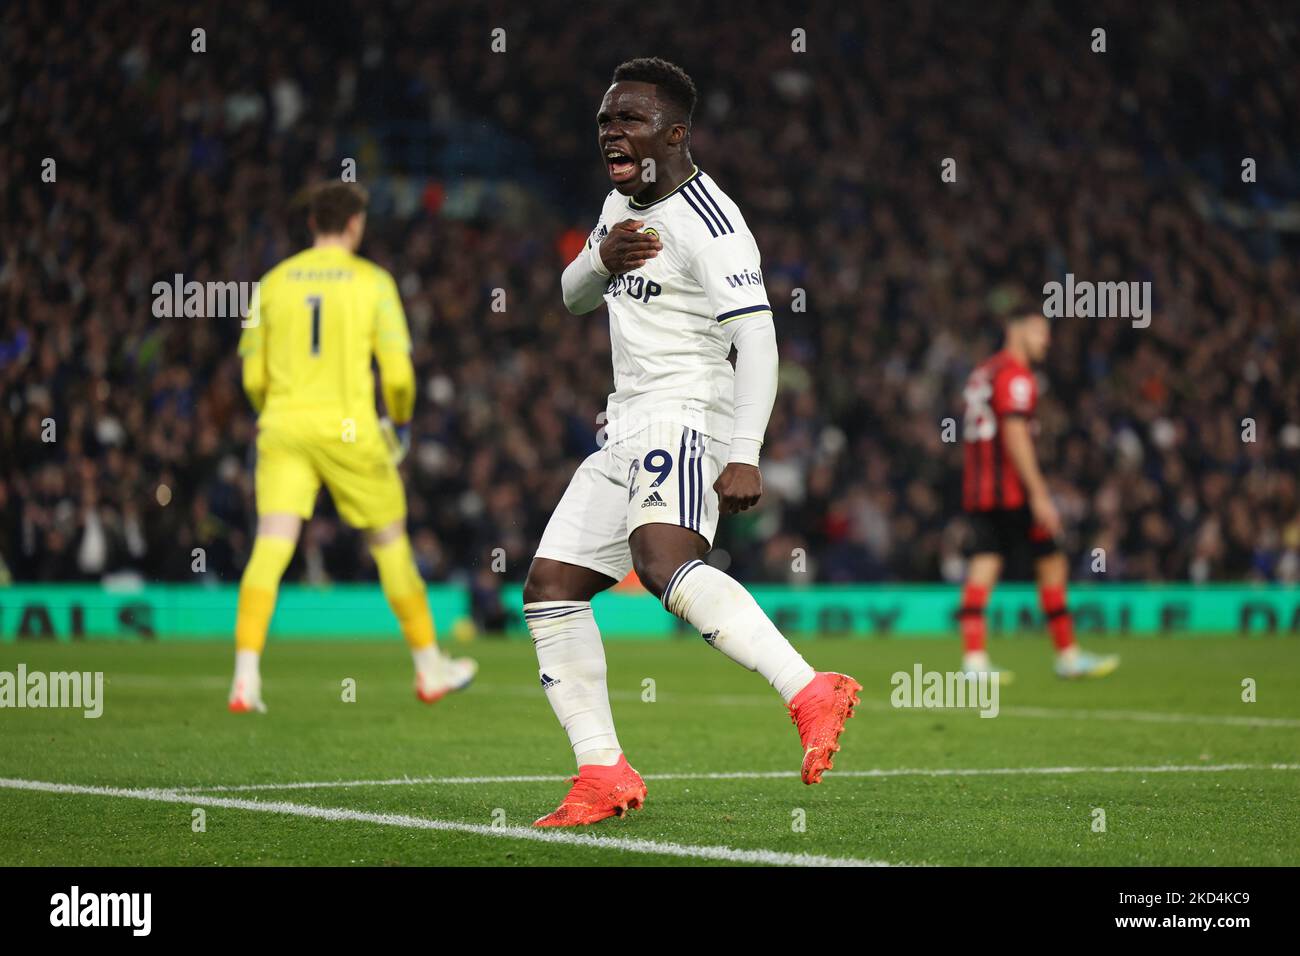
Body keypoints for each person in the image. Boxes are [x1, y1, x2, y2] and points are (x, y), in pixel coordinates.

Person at [523, 58, 861, 828]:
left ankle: (811, 689)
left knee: (666, 565)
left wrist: (744, 451)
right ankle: (602, 771)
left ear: (673, 135)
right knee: (550, 589)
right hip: (626, 420)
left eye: (630, 119)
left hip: (685, 413)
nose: (612, 130)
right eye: (607, 118)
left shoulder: (713, 227)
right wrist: (596, 258)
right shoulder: (618, 203)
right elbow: (572, 297)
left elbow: (761, 343)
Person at [229, 183, 476, 712]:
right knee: (390, 543)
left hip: (284, 425)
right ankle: (429, 666)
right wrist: (402, 424)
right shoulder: (372, 282)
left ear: (312, 223)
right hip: (350, 429)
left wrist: (273, 412)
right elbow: (401, 376)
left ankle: (245, 678)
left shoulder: (272, 283)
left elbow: (251, 374)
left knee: (271, 544)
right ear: (354, 225)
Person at [958, 308, 1119, 681]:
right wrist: (1039, 493)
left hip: (981, 488)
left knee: (985, 562)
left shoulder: (984, 371)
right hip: (1011, 490)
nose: (1046, 340)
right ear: (1016, 331)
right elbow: (1014, 434)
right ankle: (1067, 655)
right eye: (1039, 332)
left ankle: (974, 661)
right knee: (1051, 562)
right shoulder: (1017, 376)